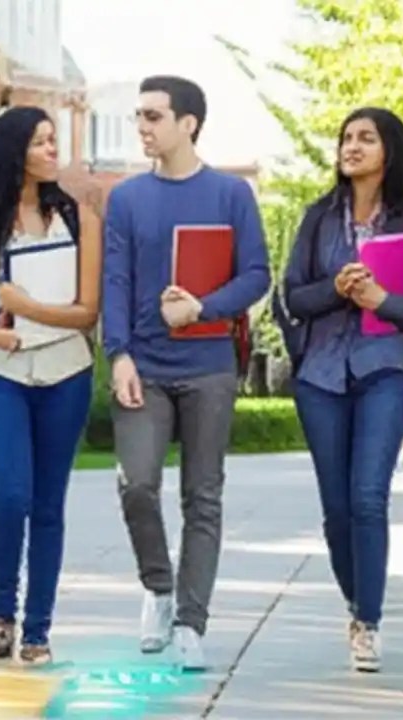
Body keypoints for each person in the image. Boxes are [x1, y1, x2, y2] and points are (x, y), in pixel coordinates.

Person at [101, 75, 270, 670]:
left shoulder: (231, 195)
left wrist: (205, 307)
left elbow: (256, 275)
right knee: (137, 485)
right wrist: (117, 353)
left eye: (153, 116)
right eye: (139, 116)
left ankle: (193, 622)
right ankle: (159, 588)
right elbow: (114, 282)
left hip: (208, 365)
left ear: (188, 123)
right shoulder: (125, 199)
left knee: (203, 495)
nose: (143, 126)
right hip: (142, 364)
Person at [272, 107, 403, 673]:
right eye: (346, 137)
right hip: (320, 375)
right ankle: (355, 598)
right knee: (337, 508)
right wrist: (337, 289)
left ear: (388, 151)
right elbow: (292, 297)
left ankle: (367, 622)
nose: (352, 146)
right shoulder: (318, 218)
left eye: (365, 138)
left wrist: (381, 302)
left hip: (382, 371)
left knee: (369, 497)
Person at [0, 105, 102, 666]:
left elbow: (87, 313)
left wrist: (29, 308)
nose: (51, 151)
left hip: (66, 371)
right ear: (13, 150)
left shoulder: (79, 218)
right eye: (41, 141)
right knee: (11, 495)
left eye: (53, 140)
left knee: (48, 504)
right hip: (1, 374)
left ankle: (37, 630)